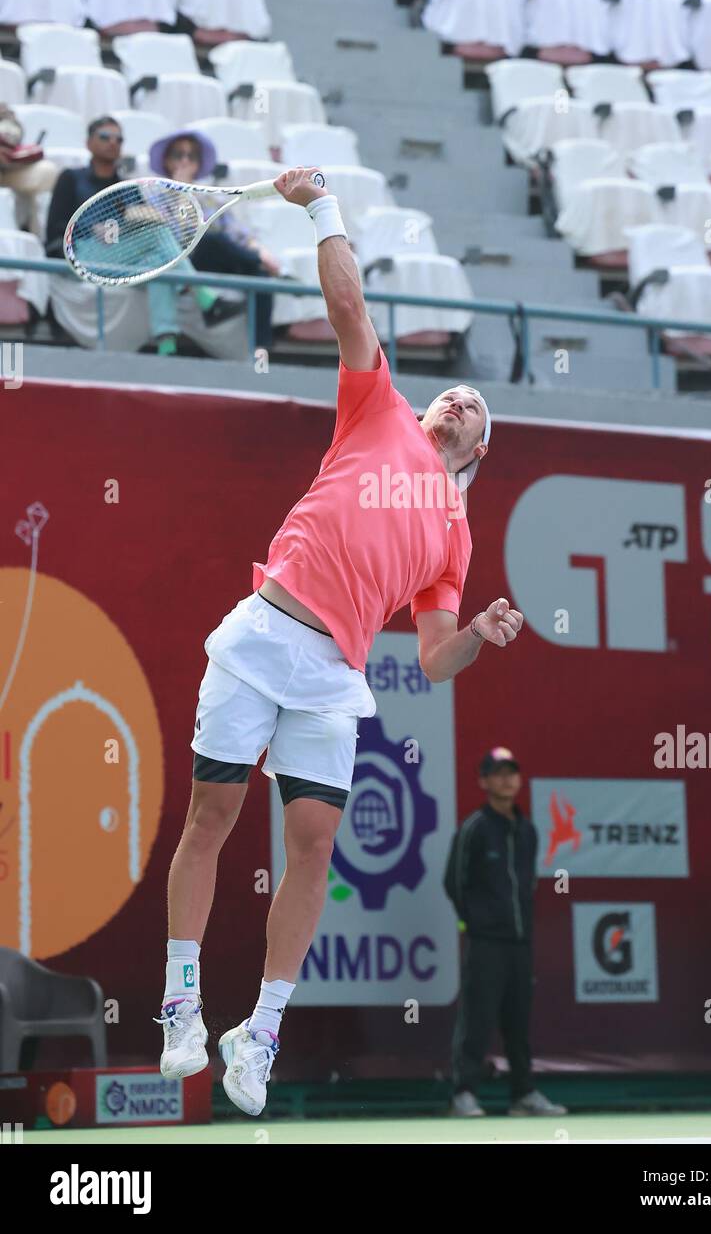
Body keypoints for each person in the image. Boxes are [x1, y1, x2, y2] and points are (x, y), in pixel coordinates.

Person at [154, 166, 524, 1117]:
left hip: (333, 679)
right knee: (211, 817)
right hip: (263, 632)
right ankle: (180, 1004)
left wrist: (479, 632)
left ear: (475, 453)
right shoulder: (378, 407)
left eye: (473, 409)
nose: (456, 403)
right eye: (451, 395)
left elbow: (436, 658)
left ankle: (260, 1032)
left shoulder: (453, 530)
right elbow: (347, 297)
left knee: (314, 845)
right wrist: (321, 206)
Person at [444, 746, 567, 1119]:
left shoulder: (527, 830)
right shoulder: (475, 828)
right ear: (483, 781)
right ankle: (463, 1093)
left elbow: (527, 885)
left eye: (511, 771)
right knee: (477, 1019)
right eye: (497, 773)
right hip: (485, 943)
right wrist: (476, 922)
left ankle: (523, 1095)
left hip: (520, 943)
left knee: (518, 1020)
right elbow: (455, 882)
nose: (506, 779)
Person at [146, 130, 280, 356]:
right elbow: (176, 236)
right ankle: (262, 267)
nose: (185, 161)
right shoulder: (155, 195)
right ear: (168, 161)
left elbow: (238, 234)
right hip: (184, 260)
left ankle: (261, 348)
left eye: (192, 156)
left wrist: (261, 252)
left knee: (260, 276)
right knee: (212, 240)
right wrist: (181, 191)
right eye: (179, 155)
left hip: (219, 258)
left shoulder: (211, 197)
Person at [44, 115, 124, 256]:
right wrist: (91, 229)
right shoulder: (70, 178)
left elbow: (141, 218)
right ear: (88, 143)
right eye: (105, 137)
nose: (113, 142)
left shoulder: (126, 186)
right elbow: (55, 229)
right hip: (77, 252)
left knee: (157, 232)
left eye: (119, 139)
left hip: (121, 252)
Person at [0, 103, 58, 237]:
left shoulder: (3, 110)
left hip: (6, 168)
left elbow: (11, 135)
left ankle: (36, 240)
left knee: (46, 171)